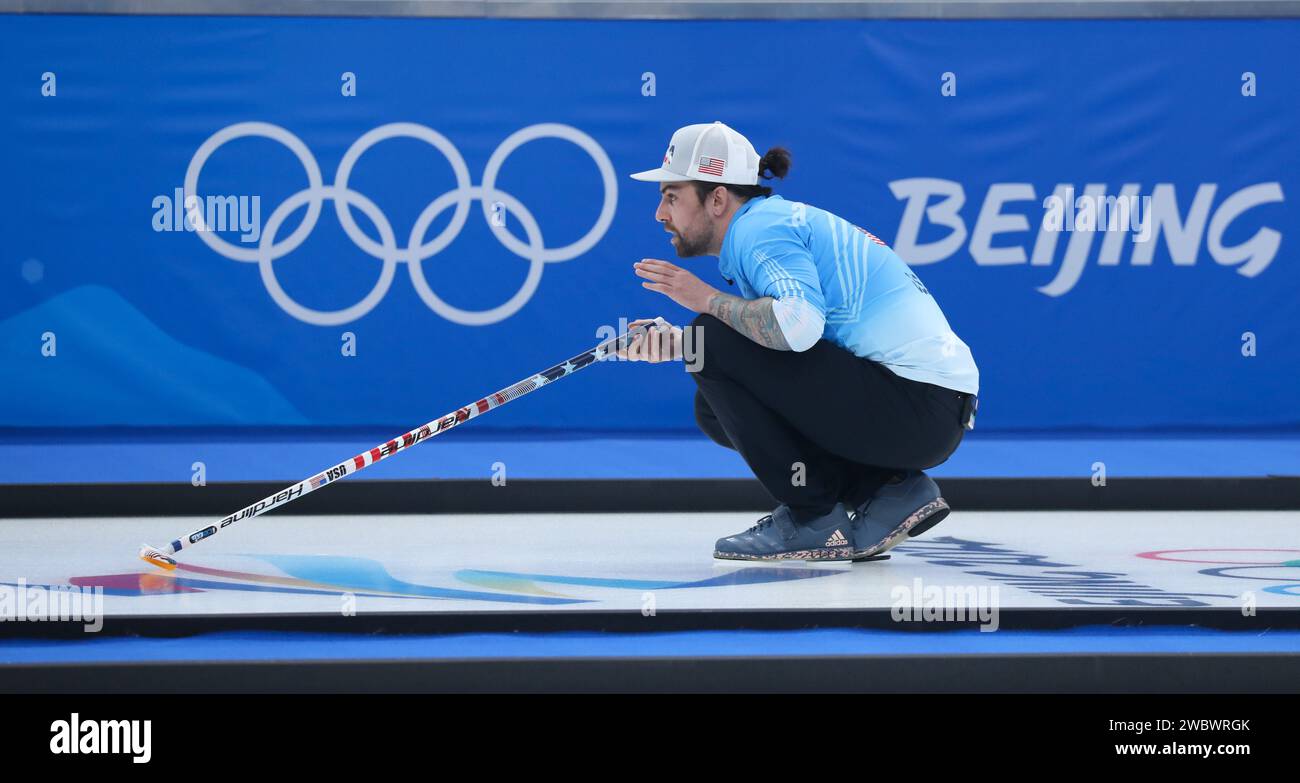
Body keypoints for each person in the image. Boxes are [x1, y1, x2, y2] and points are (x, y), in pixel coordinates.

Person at [620, 121, 979, 562]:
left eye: (671, 196)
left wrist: (706, 302)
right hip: (926, 408)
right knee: (712, 401)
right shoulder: (766, 225)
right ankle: (888, 491)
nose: (660, 213)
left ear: (716, 199)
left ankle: (813, 518)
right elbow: (780, 341)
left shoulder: (759, 231)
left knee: (708, 336)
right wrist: (679, 344)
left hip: (919, 406)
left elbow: (797, 327)